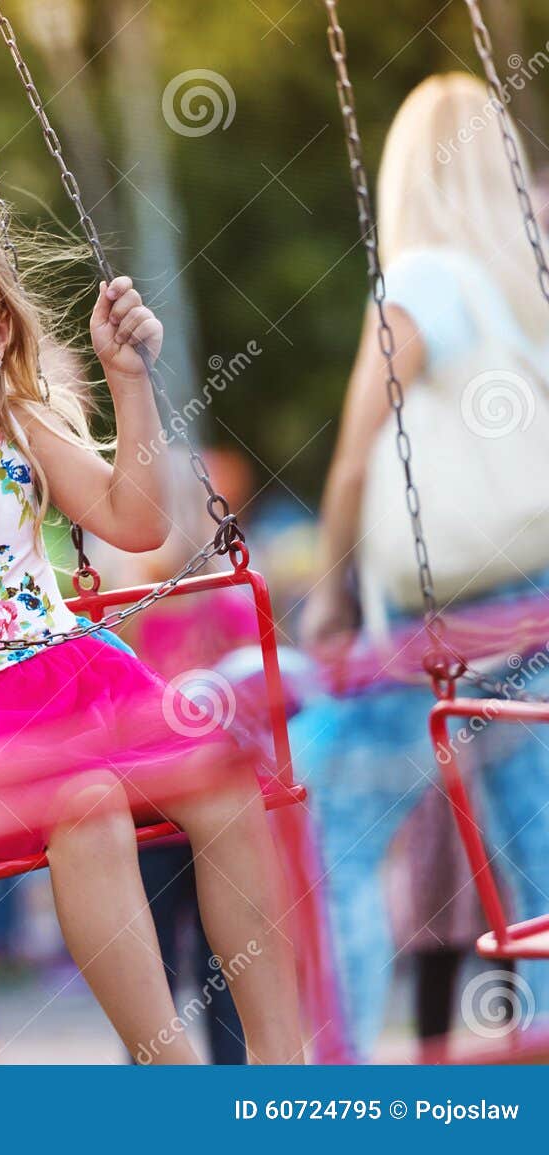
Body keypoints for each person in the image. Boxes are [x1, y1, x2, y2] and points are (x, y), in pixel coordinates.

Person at [0, 184, 304, 1063]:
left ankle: (280, 1065)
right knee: (85, 803)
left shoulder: (18, 425)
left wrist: (128, 380)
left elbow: (138, 523)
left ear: (1, 330)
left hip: (77, 678)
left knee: (225, 781)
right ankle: (169, 1067)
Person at [296, 72, 549, 1061]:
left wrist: (330, 590)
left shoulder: (424, 279)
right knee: (536, 860)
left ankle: (332, 1079)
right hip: (533, 599)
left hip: (444, 615)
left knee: (334, 832)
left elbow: (362, 447)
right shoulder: (521, 288)